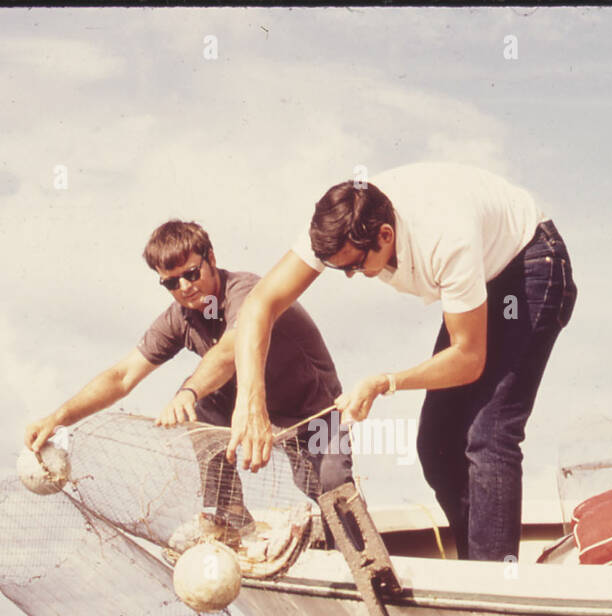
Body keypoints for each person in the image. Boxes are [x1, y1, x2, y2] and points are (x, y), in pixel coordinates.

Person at [225, 163, 578, 561]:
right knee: (436, 446)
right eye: (338, 268)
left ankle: (494, 578)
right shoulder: (340, 220)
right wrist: (250, 403)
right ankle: (475, 562)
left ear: (386, 235)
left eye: (355, 265)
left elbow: (469, 357)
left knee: (489, 433)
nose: (350, 276)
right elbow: (260, 304)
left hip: (530, 266)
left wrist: (386, 382)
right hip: (484, 272)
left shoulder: (446, 237)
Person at [25, 220, 352, 523]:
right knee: (197, 407)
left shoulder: (246, 291)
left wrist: (188, 389)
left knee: (333, 494)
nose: (184, 287)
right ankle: (232, 517)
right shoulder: (179, 317)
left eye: (192, 273)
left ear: (211, 258)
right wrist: (58, 418)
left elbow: (229, 352)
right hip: (243, 409)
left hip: (312, 413)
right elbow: (122, 376)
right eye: (170, 282)